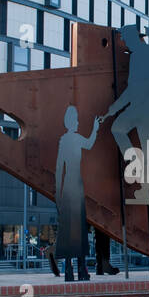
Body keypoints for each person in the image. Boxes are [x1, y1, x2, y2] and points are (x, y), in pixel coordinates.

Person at [101, 23, 149, 205]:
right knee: (146, 147)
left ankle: (135, 164)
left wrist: (113, 109)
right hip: (147, 108)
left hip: (139, 107)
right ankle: (143, 186)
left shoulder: (138, 56)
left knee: (119, 129)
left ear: (133, 38)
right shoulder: (148, 53)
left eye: (126, 39)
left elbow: (132, 89)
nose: (125, 43)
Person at [54, 105, 102, 282]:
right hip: (76, 185)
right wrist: (95, 129)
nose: (77, 122)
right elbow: (89, 143)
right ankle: (81, 269)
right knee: (78, 229)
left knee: (68, 228)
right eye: (76, 120)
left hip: (68, 187)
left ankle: (69, 270)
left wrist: (58, 195)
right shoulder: (74, 139)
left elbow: (59, 169)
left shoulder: (64, 140)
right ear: (72, 121)